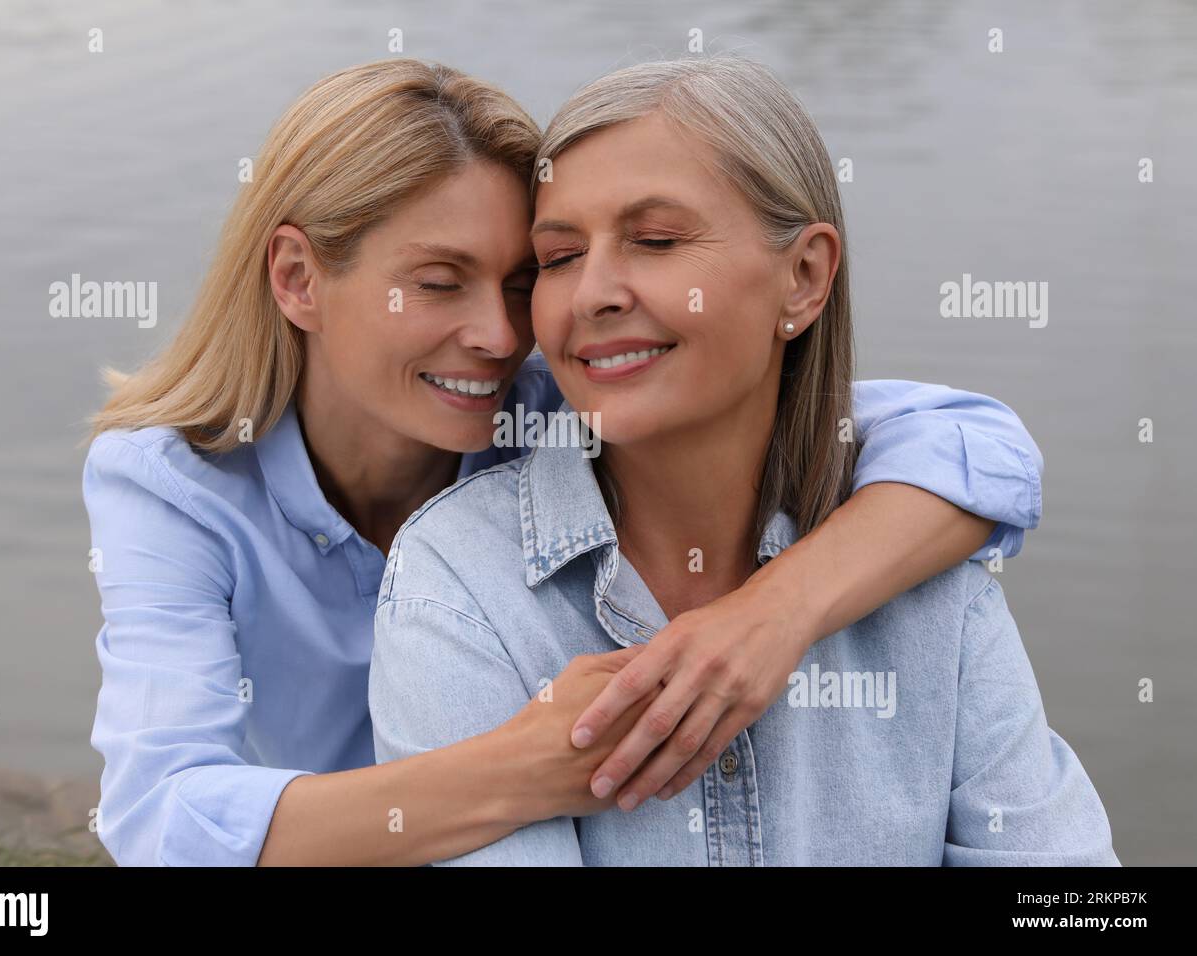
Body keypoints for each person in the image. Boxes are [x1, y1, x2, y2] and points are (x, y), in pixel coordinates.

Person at [85, 58, 1047, 866]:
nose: (501, 336)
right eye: (437, 283)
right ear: (297, 278)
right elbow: (160, 816)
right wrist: (529, 763)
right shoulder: (173, 485)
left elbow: (976, 446)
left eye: (519, 279)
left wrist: (772, 614)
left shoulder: (559, 404)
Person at [368, 55, 1116, 865]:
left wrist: (781, 610)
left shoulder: (932, 586)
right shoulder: (459, 588)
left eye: (655, 240)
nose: (592, 294)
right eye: (557, 258)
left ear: (803, 277)